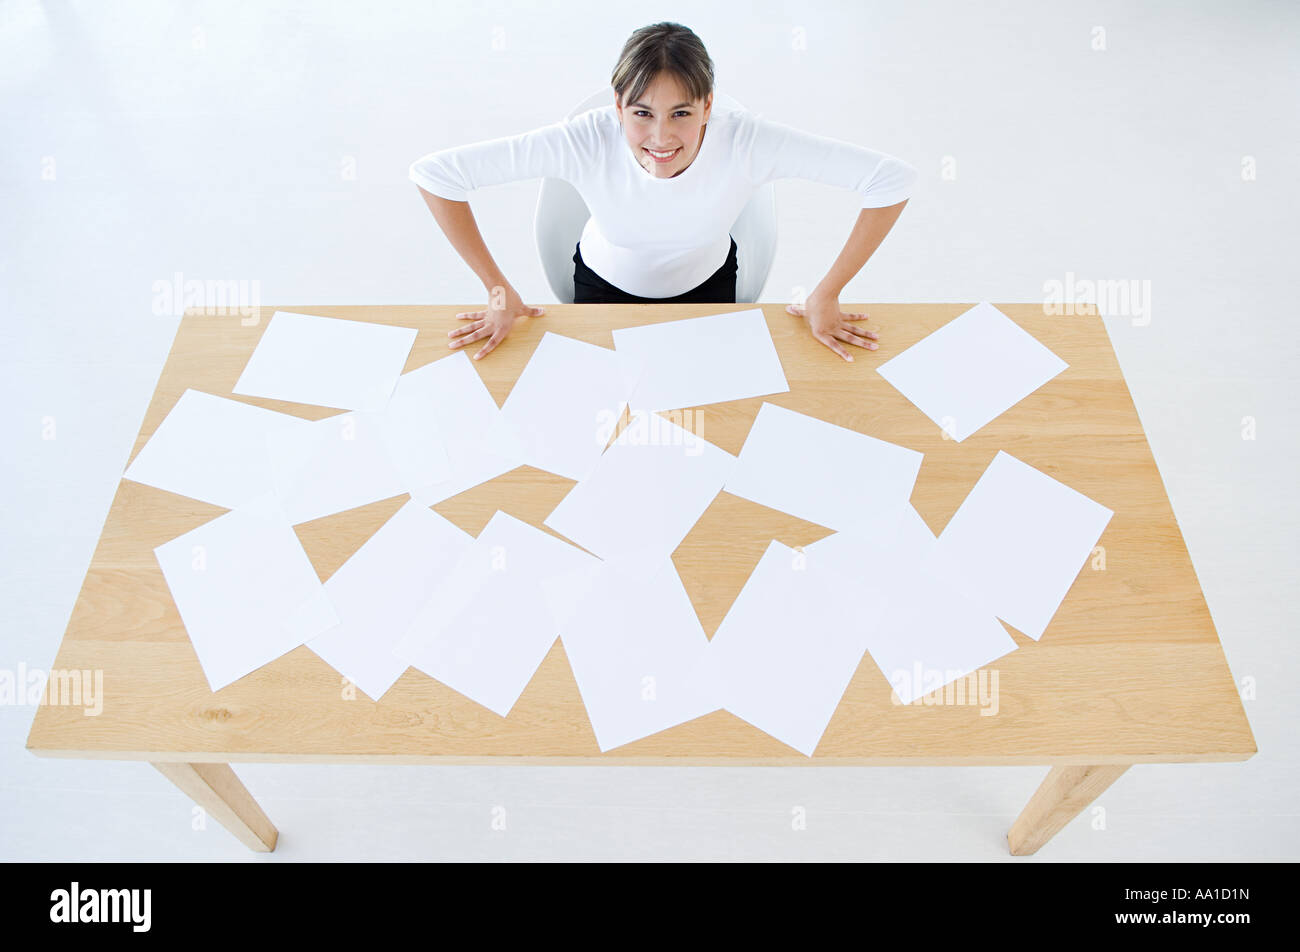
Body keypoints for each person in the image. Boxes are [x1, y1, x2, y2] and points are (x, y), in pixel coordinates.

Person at [410, 21, 916, 362]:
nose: (660, 139)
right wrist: (497, 291)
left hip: (708, 293)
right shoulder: (585, 139)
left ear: (708, 106)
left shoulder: (746, 141)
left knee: (711, 421)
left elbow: (890, 180)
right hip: (602, 292)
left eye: (681, 114)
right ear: (617, 106)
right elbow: (436, 175)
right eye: (642, 114)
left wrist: (828, 293)